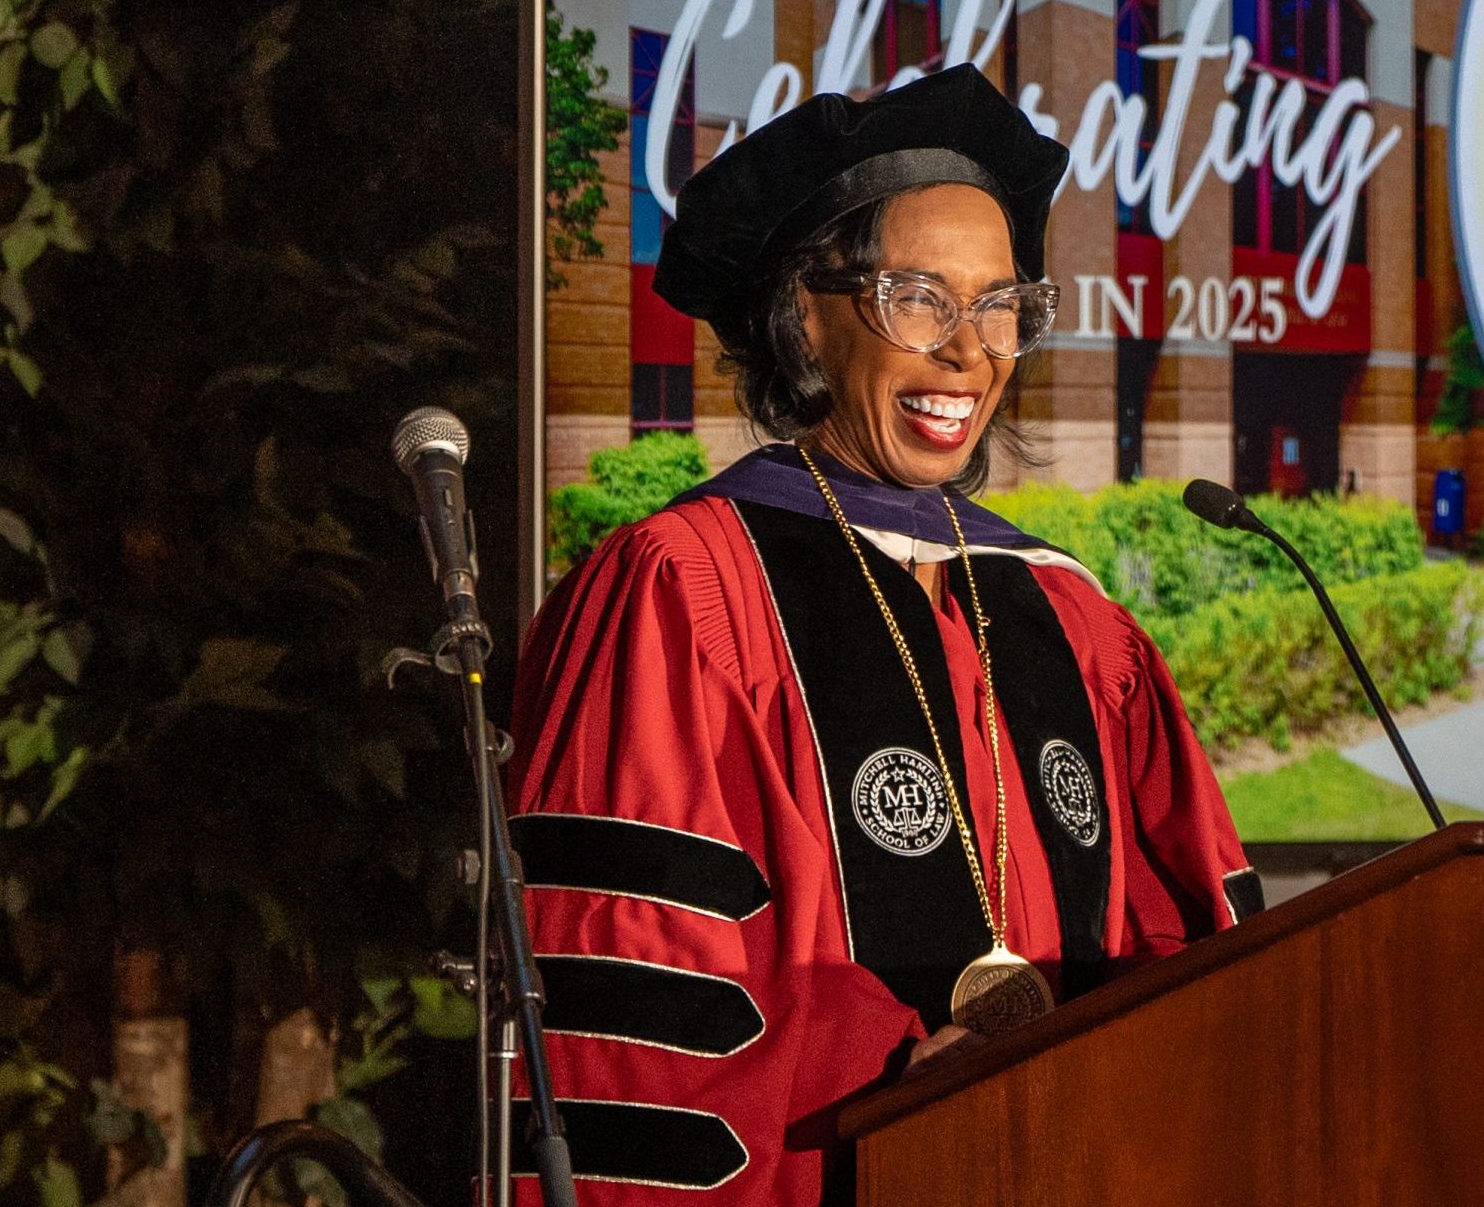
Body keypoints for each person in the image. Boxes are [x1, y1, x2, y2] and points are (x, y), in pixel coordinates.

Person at [506, 66, 1258, 1206]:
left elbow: (1193, 942)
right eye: (919, 296)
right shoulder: (679, 589)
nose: (969, 352)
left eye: (1001, 305)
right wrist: (898, 1094)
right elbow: (636, 1008)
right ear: (805, 310)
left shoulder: (1072, 613)